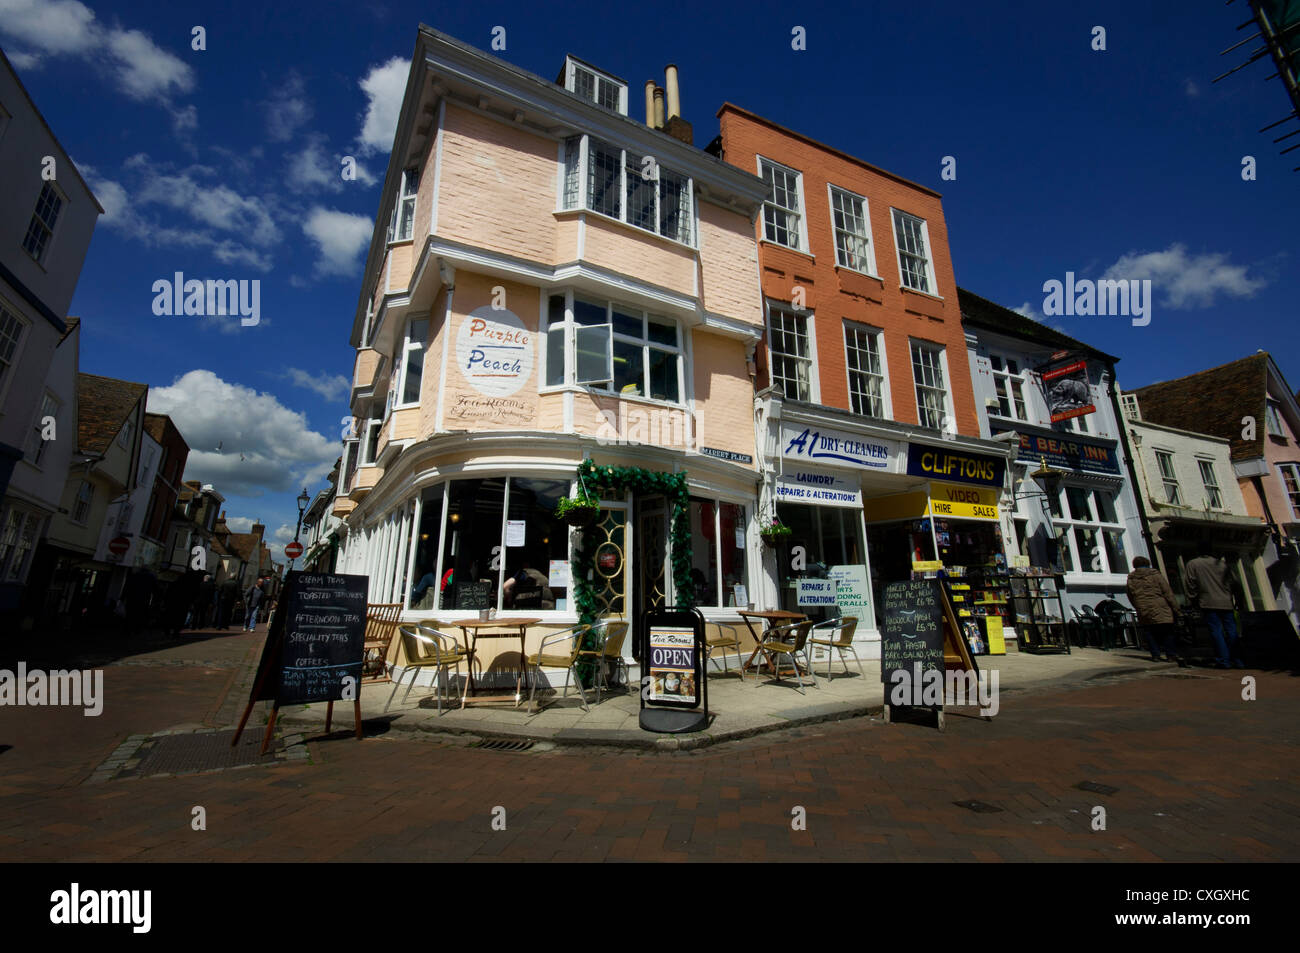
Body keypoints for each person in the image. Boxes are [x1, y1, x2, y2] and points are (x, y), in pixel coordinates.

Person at [1185, 550, 1243, 668]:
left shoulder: (1193, 564)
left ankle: (1223, 660)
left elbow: (1190, 584)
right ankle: (1237, 658)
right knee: (1231, 631)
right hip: (1226, 602)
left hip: (1208, 602)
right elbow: (1235, 583)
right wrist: (1239, 600)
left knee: (1216, 632)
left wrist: (1193, 600)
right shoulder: (1222, 564)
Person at [1125, 557, 1184, 665]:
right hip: (1160, 606)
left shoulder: (1131, 578)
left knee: (1149, 631)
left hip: (1143, 607)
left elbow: (1130, 595)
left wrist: (1138, 606)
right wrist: (1176, 609)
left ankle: (1155, 654)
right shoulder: (1155, 575)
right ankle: (1170, 654)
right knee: (1166, 630)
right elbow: (1167, 592)